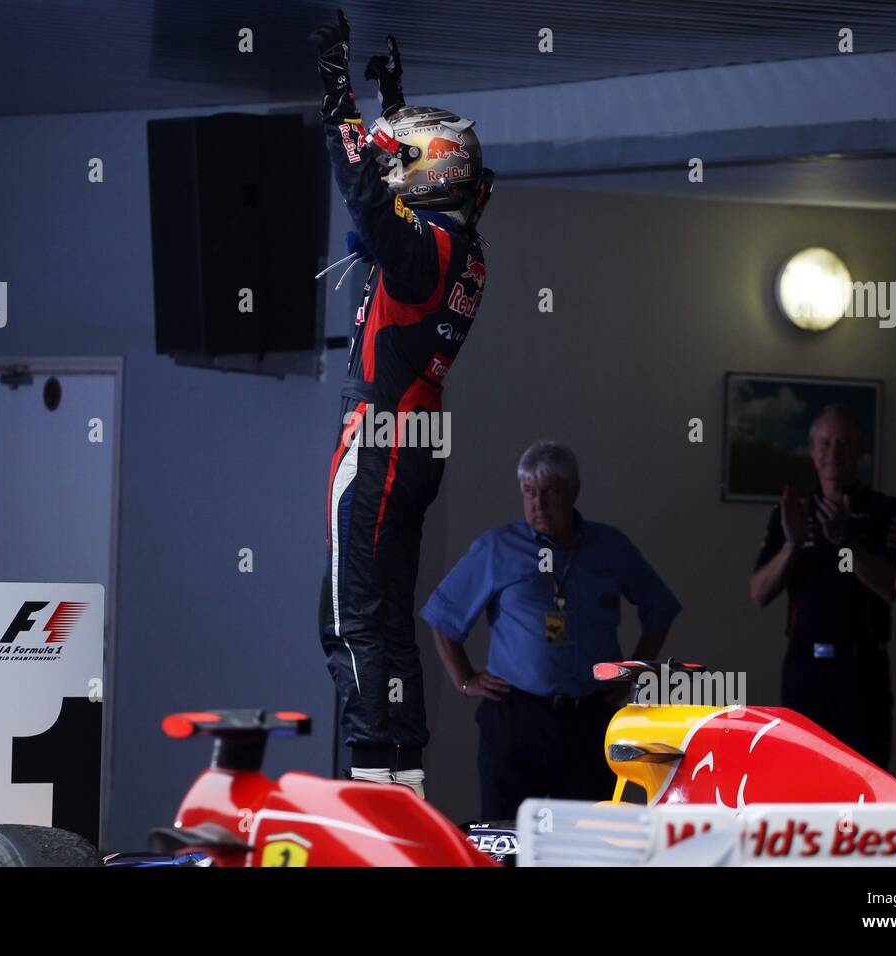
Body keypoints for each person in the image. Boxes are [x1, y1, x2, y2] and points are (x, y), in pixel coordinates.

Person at [310, 11, 495, 797]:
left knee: (353, 621)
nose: (390, 164)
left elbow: (366, 199)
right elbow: (391, 191)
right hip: (414, 437)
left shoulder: (424, 247)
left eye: (402, 157)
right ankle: (402, 783)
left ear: (428, 171)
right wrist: (392, 101)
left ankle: (372, 784)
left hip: (381, 439)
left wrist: (338, 105)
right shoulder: (458, 243)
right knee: (383, 618)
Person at [421, 441, 681, 821]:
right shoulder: (498, 548)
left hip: (588, 718)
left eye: (550, 491)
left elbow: (660, 608)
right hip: (516, 719)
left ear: (574, 492)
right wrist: (464, 680)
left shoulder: (610, 547)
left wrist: (635, 673)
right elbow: (443, 617)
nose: (538, 503)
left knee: (587, 837)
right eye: (529, 491)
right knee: (507, 838)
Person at [749, 404, 896, 769]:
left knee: (864, 778)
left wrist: (846, 542)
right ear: (811, 450)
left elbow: (892, 588)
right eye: (824, 443)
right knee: (799, 775)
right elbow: (759, 593)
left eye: (842, 444)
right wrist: (791, 544)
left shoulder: (887, 509)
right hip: (804, 666)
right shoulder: (792, 511)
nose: (832, 453)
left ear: (860, 452)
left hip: (862, 669)